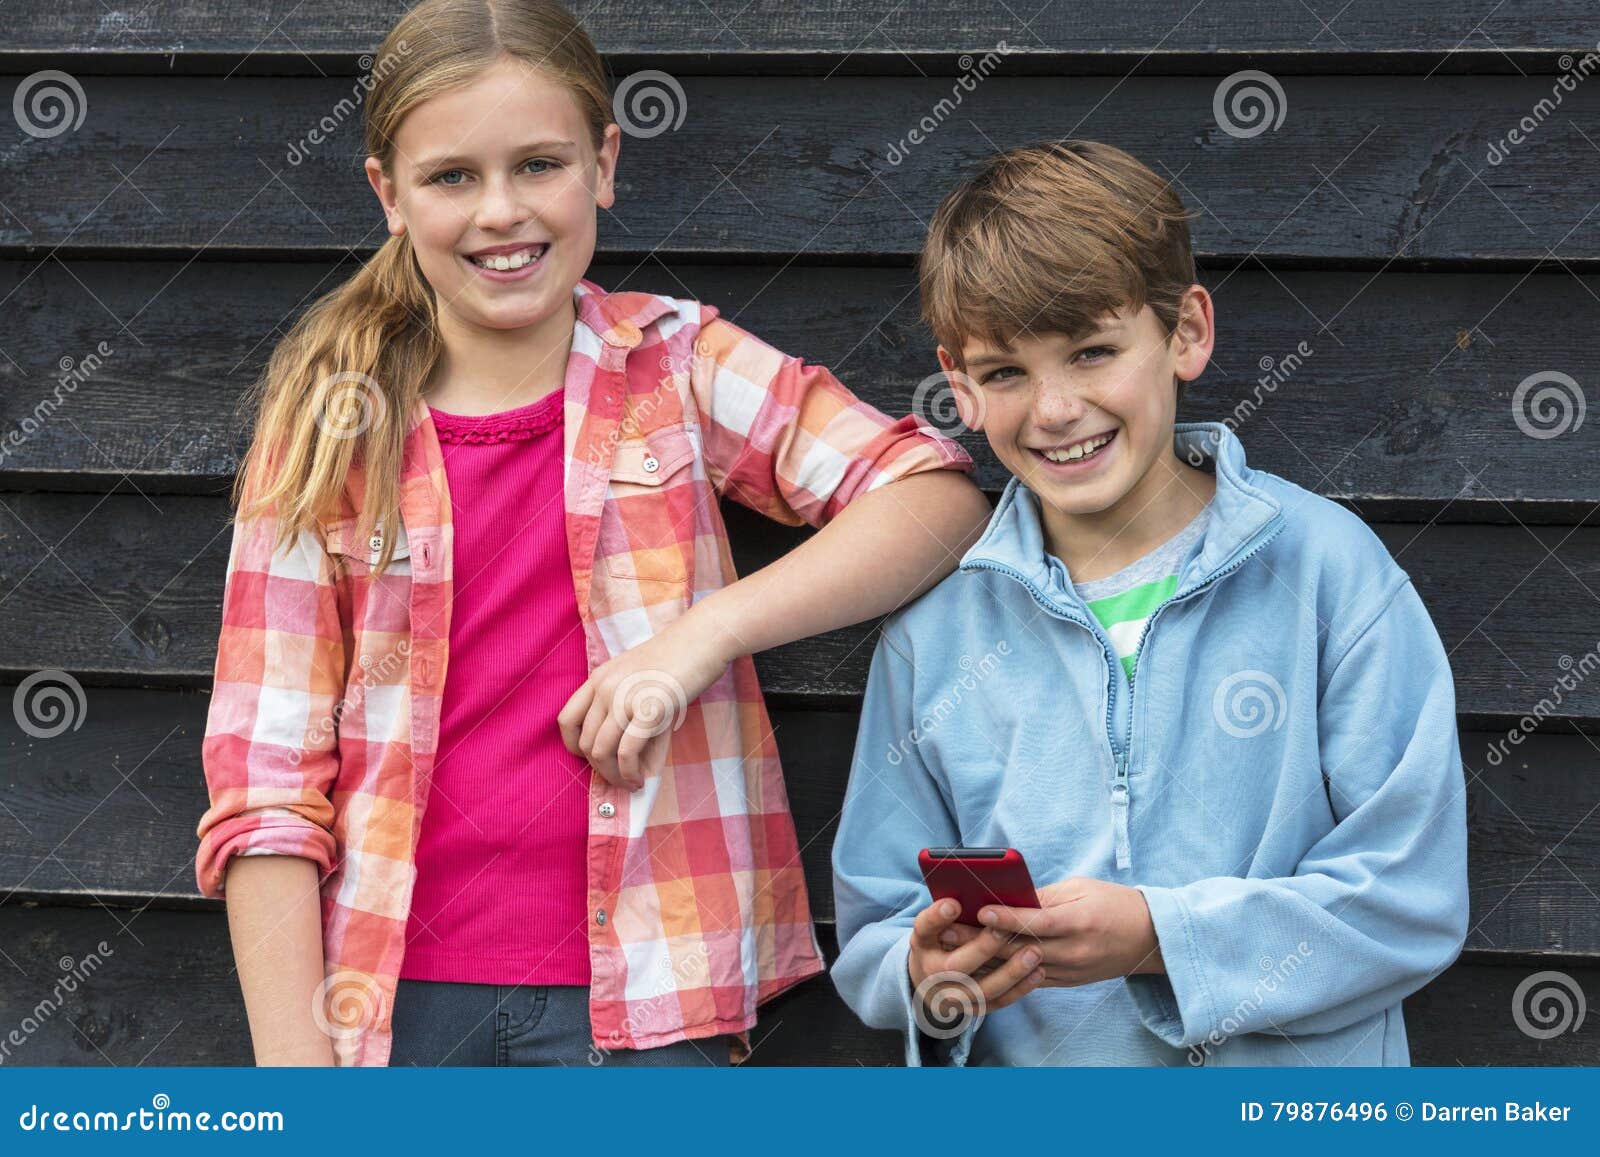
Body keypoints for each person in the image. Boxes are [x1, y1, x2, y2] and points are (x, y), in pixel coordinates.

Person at [194, 0, 988, 1068]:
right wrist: (294, 1080)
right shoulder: (329, 422)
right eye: (452, 177)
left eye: (539, 164)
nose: (501, 211)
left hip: (658, 991)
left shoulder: (678, 364)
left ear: (603, 164)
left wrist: (698, 636)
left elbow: (930, 492)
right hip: (389, 1002)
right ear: (388, 194)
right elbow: (265, 780)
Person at [830, 140, 1469, 1066]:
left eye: (1092, 352)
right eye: (1005, 371)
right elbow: (880, 918)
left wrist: (1160, 936)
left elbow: (1409, 895)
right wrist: (922, 975)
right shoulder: (937, 633)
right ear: (958, 385)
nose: (1053, 409)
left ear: (1186, 333)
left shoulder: (1330, 572)